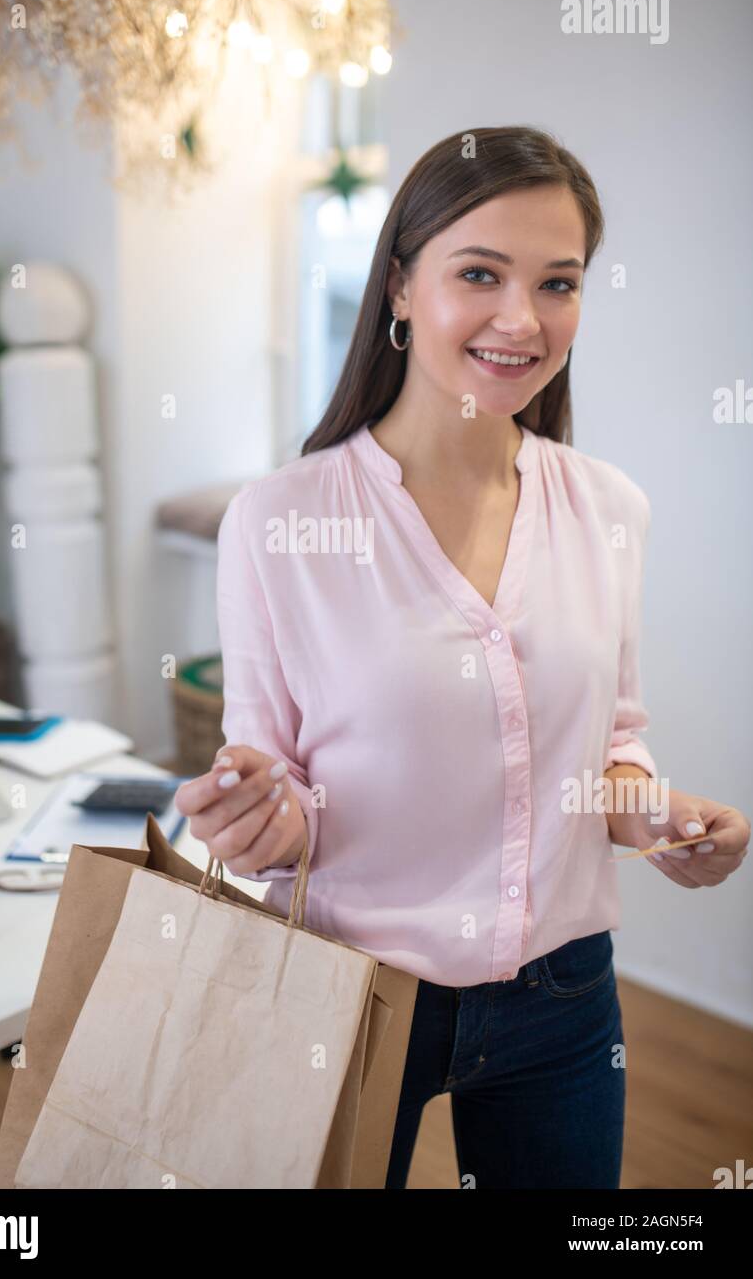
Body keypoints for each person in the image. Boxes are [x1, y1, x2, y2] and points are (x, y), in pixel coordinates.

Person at [175, 126, 749, 1189]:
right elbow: (280, 793)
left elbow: (609, 749)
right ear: (398, 286)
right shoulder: (277, 521)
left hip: (565, 1003)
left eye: (557, 283)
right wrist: (257, 819)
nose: (521, 319)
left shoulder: (608, 508)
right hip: (347, 992)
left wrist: (661, 817)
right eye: (477, 273)